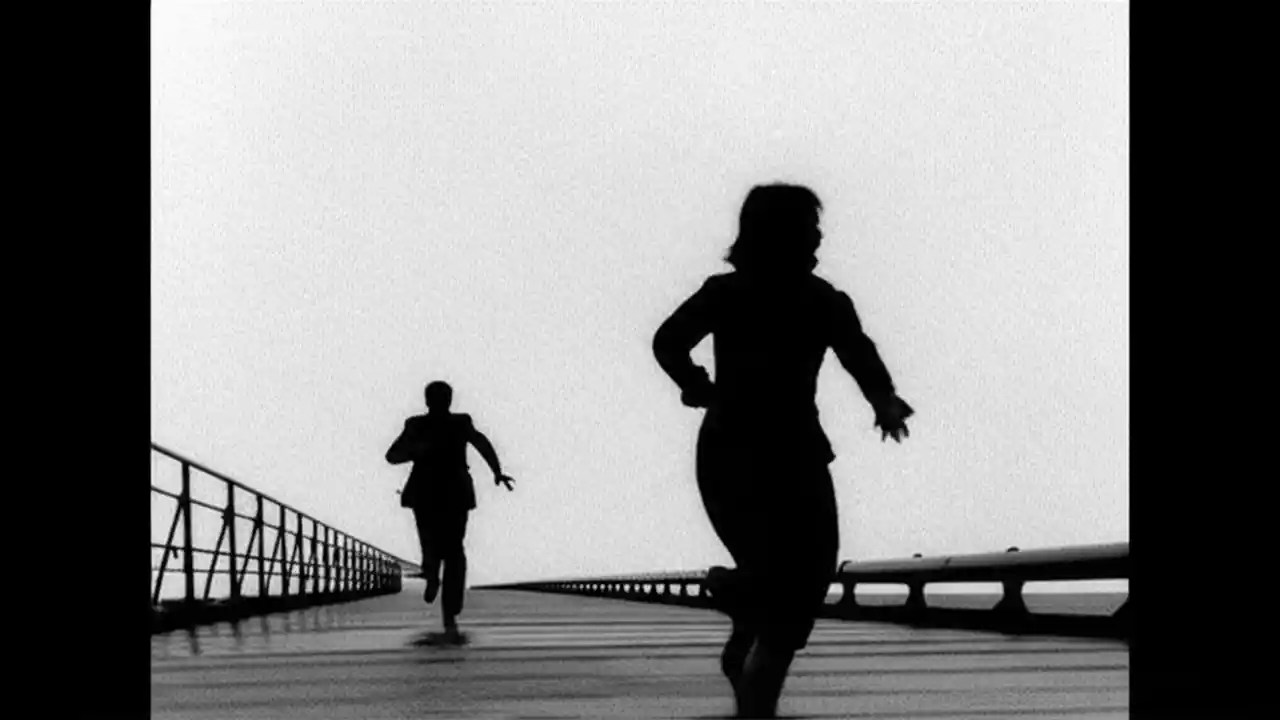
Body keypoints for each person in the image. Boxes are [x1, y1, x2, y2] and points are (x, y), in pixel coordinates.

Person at [652, 183, 914, 718]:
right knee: (796, 576)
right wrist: (882, 399)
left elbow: (857, 353)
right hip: (760, 449)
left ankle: (743, 608)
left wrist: (884, 398)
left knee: (800, 570)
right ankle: (754, 670)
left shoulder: (811, 299)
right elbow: (669, 340)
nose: (819, 238)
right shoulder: (783, 296)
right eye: (810, 229)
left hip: (755, 446)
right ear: (782, 235)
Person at [386, 380, 515, 642]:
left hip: (430, 493)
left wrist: (497, 471)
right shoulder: (443, 424)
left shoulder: (424, 424)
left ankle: (436, 580)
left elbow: (393, 455)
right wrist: (497, 471)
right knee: (452, 549)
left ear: (426, 400)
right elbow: (482, 444)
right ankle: (445, 595)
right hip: (449, 492)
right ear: (449, 399)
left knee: (440, 546)